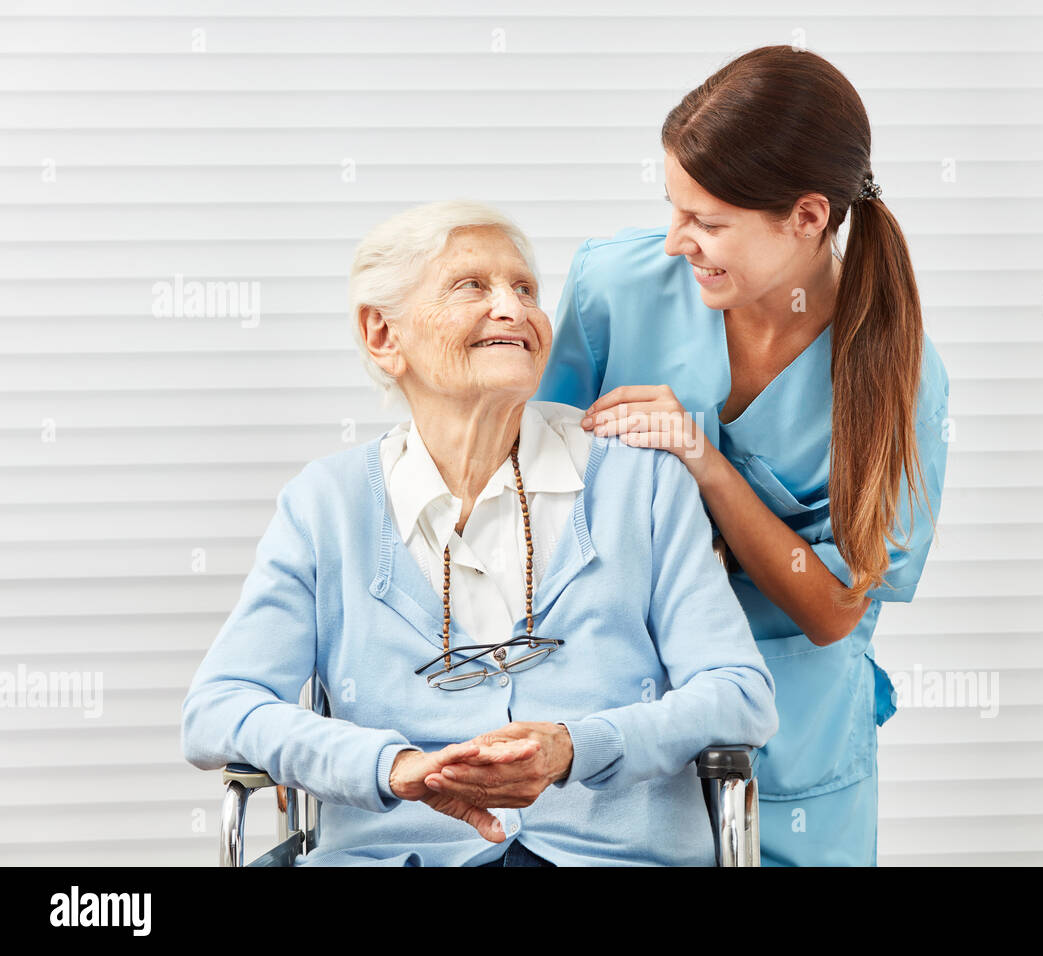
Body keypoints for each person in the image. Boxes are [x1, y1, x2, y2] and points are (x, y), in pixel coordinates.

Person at [181, 200, 778, 866]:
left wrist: (579, 747)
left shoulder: (641, 482)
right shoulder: (326, 504)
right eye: (472, 286)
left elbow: (739, 694)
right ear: (382, 334)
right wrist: (388, 766)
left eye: (525, 289)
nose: (513, 309)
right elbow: (218, 708)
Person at [534, 46, 950, 866]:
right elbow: (534, 497)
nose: (675, 242)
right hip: (616, 727)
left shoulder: (896, 375)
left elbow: (832, 610)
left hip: (792, 749)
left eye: (709, 222)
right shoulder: (612, 288)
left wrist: (705, 464)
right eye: (673, 208)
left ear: (808, 217)